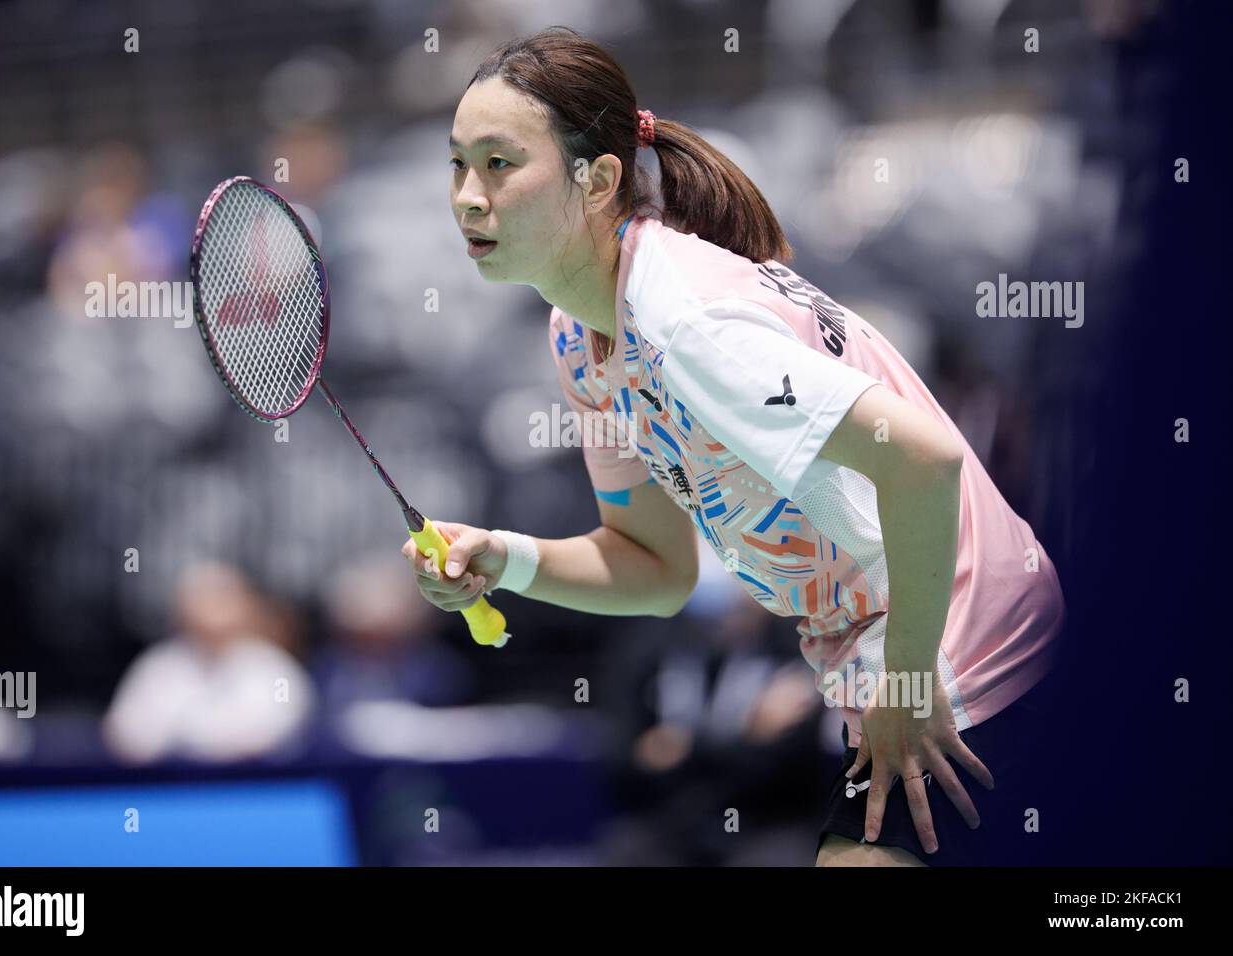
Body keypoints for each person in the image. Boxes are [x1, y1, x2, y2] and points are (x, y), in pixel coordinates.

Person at [401, 27, 1066, 866]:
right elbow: (657, 569)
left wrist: (903, 681)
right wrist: (504, 557)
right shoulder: (583, 338)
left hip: (965, 646)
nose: (466, 194)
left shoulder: (689, 326)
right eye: (457, 163)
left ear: (598, 179)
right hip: (891, 661)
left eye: (499, 163)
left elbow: (924, 458)